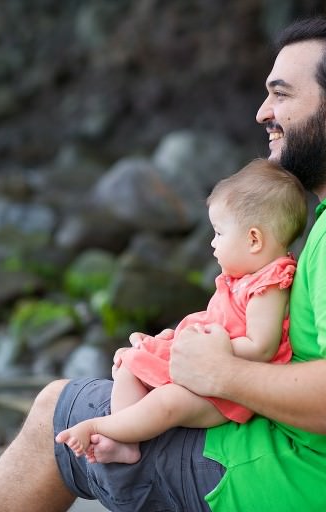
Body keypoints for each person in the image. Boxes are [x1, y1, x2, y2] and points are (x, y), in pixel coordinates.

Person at [0, 4, 326, 511]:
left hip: (325, 488)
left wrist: (219, 372)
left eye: (280, 93)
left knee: (56, 412)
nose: (263, 111)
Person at [55, 159, 307, 464]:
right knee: (129, 363)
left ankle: (101, 427)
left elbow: (262, 346)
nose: (212, 244)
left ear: (253, 239)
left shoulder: (269, 284)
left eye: (218, 233)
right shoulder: (241, 279)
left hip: (228, 392)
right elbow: (218, 323)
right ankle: (124, 441)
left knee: (168, 401)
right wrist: (170, 343)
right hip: (207, 368)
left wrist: (206, 349)